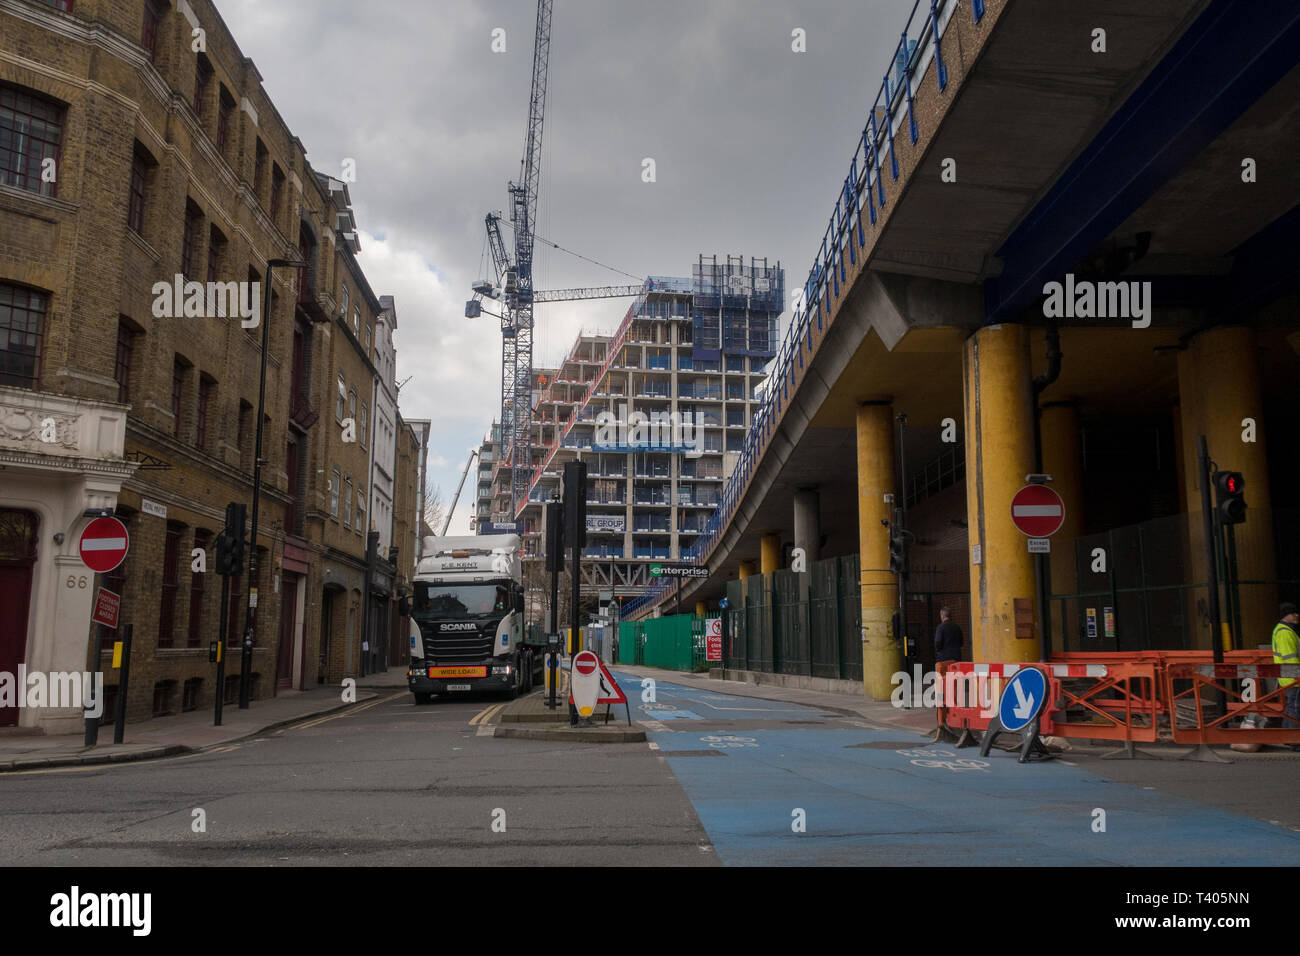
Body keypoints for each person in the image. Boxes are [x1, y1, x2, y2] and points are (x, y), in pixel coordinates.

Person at [1272, 602, 1300, 734]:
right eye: (1293, 613)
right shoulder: (1285, 632)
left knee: (1291, 707)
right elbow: (1290, 658)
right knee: (1295, 708)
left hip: (1288, 676)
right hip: (1292, 677)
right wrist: (1297, 676)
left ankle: (1288, 737)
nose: (1296, 615)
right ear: (1286, 615)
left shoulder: (1284, 630)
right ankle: (1294, 740)